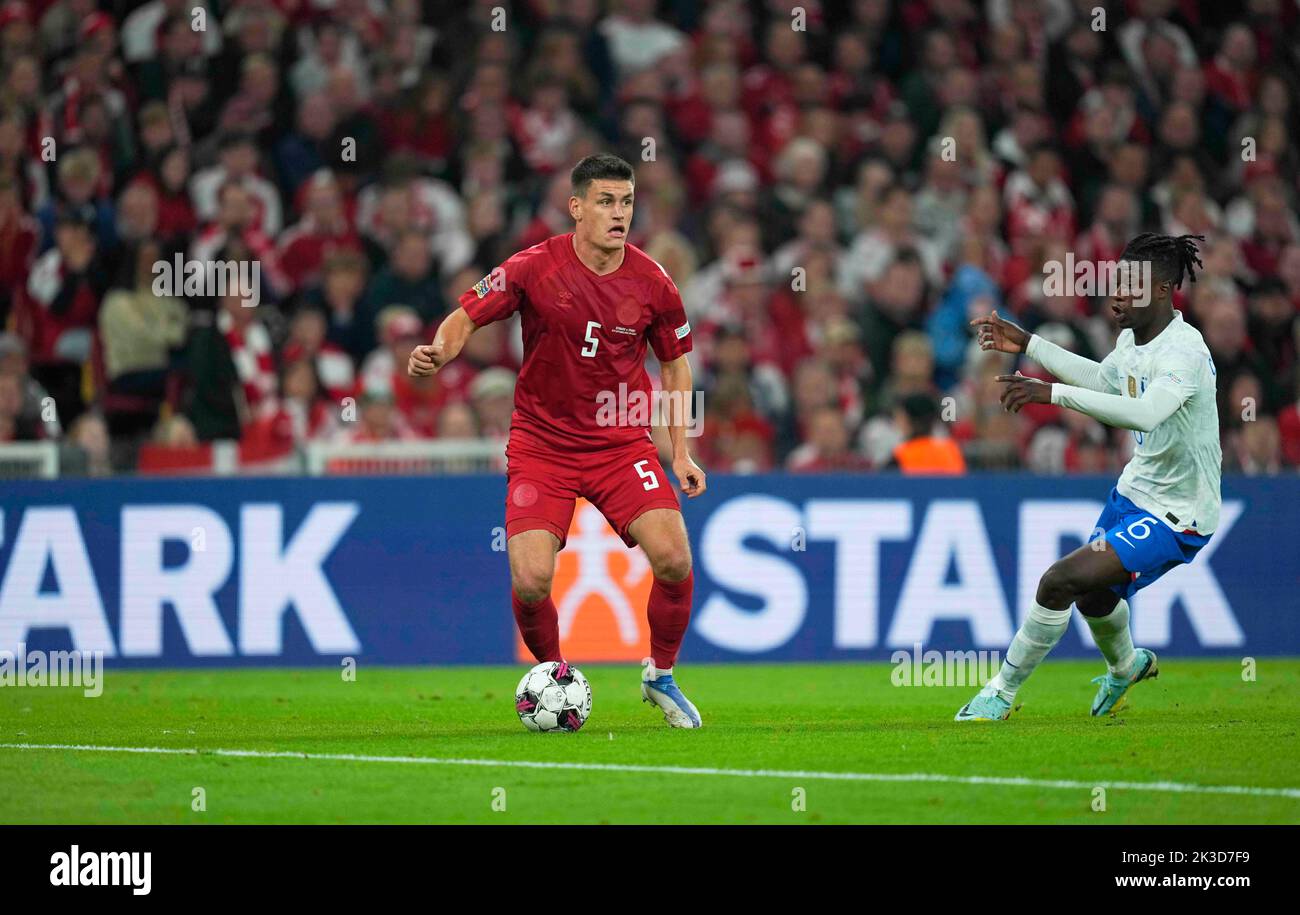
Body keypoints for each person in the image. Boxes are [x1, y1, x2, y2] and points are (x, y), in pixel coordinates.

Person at [408, 154, 707, 728]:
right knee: (531, 578)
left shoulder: (653, 283)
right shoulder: (534, 267)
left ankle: (661, 676)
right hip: (541, 445)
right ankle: (555, 677)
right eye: (605, 202)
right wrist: (440, 351)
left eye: (626, 202)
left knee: (673, 557)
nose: (618, 213)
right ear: (576, 207)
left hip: (621, 444)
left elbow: (675, 368)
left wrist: (682, 451)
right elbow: (466, 315)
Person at [957, 233, 1220, 721]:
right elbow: (1105, 382)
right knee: (1094, 596)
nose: (1118, 294)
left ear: (1163, 291)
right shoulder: (1132, 341)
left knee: (1060, 580)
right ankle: (1127, 666)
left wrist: (1050, 394)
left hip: (1178, 511)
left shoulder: (1182, 351)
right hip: (1133, 494)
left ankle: (999, 692)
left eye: (1131, 285)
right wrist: (1031, 344)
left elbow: (1144, 414)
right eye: (1117, 282)